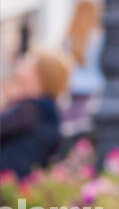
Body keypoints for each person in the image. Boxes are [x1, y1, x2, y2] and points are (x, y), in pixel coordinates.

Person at [0, 49, 70, 178]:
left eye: (26, 62)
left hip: (14, 192)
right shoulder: (46, 108)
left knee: (20, 200)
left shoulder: (31, 109)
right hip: (22, 190)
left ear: (38, 74)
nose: (20, 63)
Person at [62, 0, 104, 139]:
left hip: (75, 94)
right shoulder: (98, 37)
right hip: (94, 92)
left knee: (76, 139)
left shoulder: (70, 39)